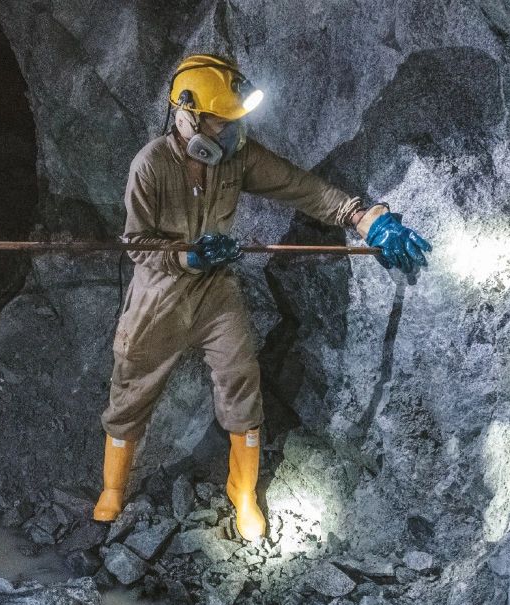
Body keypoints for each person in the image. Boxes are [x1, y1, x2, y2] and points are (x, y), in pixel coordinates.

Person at [92, 54, 431, 543]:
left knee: (240, 380)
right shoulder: (151, 164)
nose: (232, 135)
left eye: (237, 124)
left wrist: (364, 218)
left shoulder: (239, 158)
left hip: (215, 293)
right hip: (159, 294)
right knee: (132, 384)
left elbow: (301, 188)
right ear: (187, 116)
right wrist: (187, 258)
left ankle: (244, 494)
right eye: (222, 123)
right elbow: (137, 243)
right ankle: (112, 489)